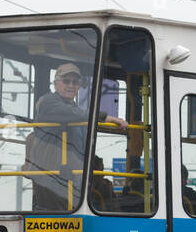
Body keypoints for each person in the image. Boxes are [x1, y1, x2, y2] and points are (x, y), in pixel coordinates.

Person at [28, 63, 126, 211]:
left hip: (71, 178)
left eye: (75, 82)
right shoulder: (47, 103)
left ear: (80, 86)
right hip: (51, 177)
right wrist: (106, 117)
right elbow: (73, 115)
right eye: (66, 81)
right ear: (56, 84)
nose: (71, 85)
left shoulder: (76, 111)